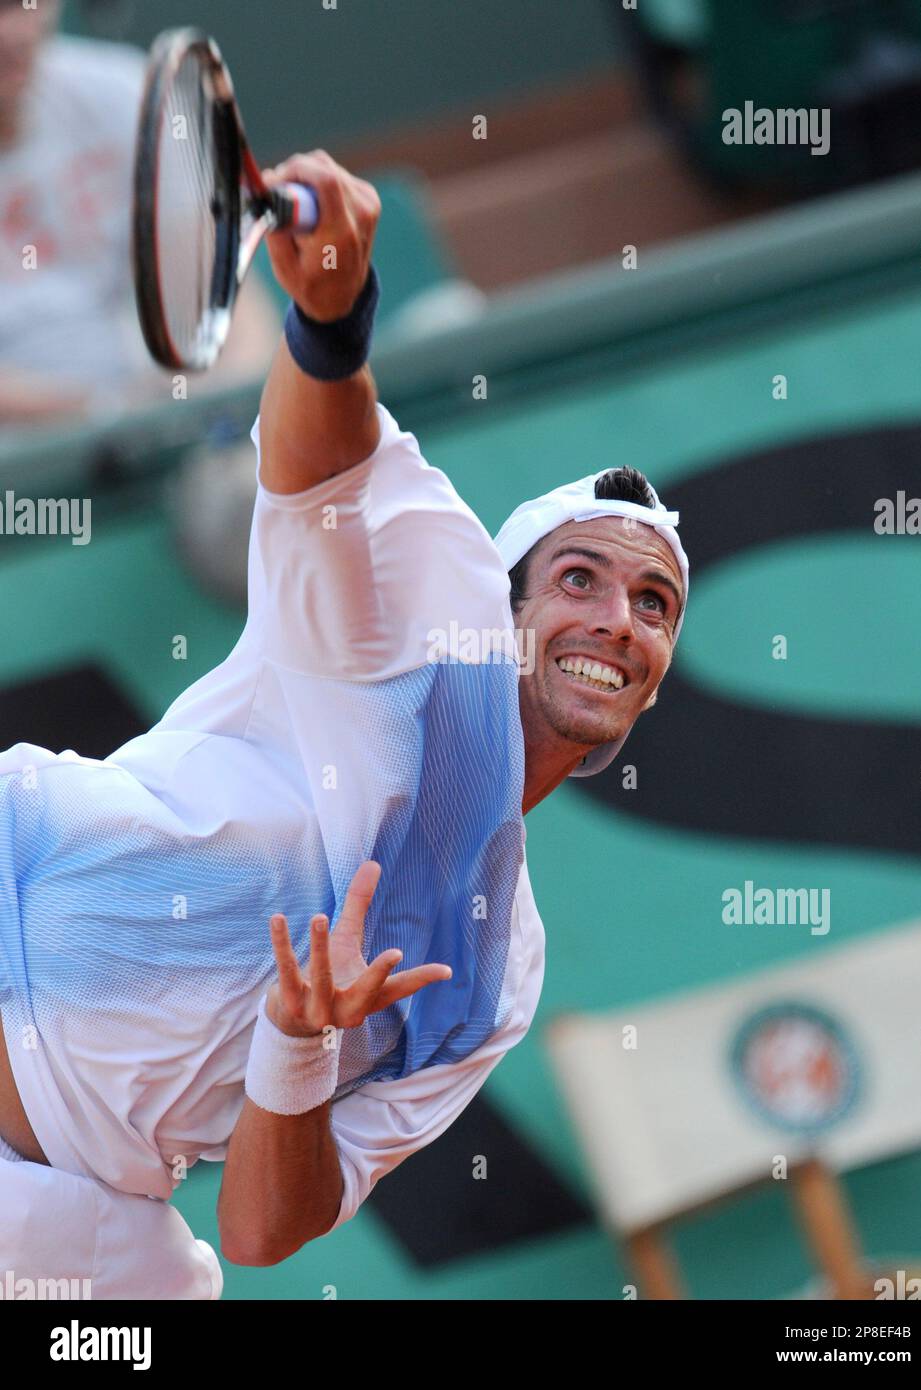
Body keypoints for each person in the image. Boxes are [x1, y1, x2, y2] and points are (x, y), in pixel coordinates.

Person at [0, 150, 689, 1297]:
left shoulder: (496, 974)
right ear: (504, 605)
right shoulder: (414, 630)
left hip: (59, 1224)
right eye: (579, 579)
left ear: (657, 675)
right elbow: (319, 461)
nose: (617, 619)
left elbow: (269, 1227)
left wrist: (299, 1039)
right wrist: (330, 317)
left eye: (653, 605)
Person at [0, 0, 276, 428]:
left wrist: (230, 405)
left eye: (20, 5)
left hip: (150, 431)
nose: (11, 33)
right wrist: (107, 413)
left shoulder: (125, 92)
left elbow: (228, 305)